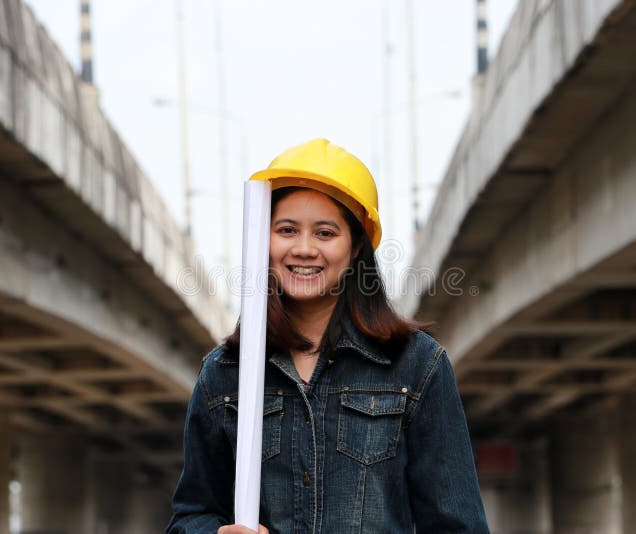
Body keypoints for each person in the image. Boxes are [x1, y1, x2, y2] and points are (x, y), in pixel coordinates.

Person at [166, 138, 489, 533]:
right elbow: (190, 514)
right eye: (286, 229)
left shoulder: (417, 367)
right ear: (263, 241)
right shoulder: (223, 375)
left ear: (355, 248)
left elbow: (457, 525)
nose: (303, 249)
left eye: (324, 233)